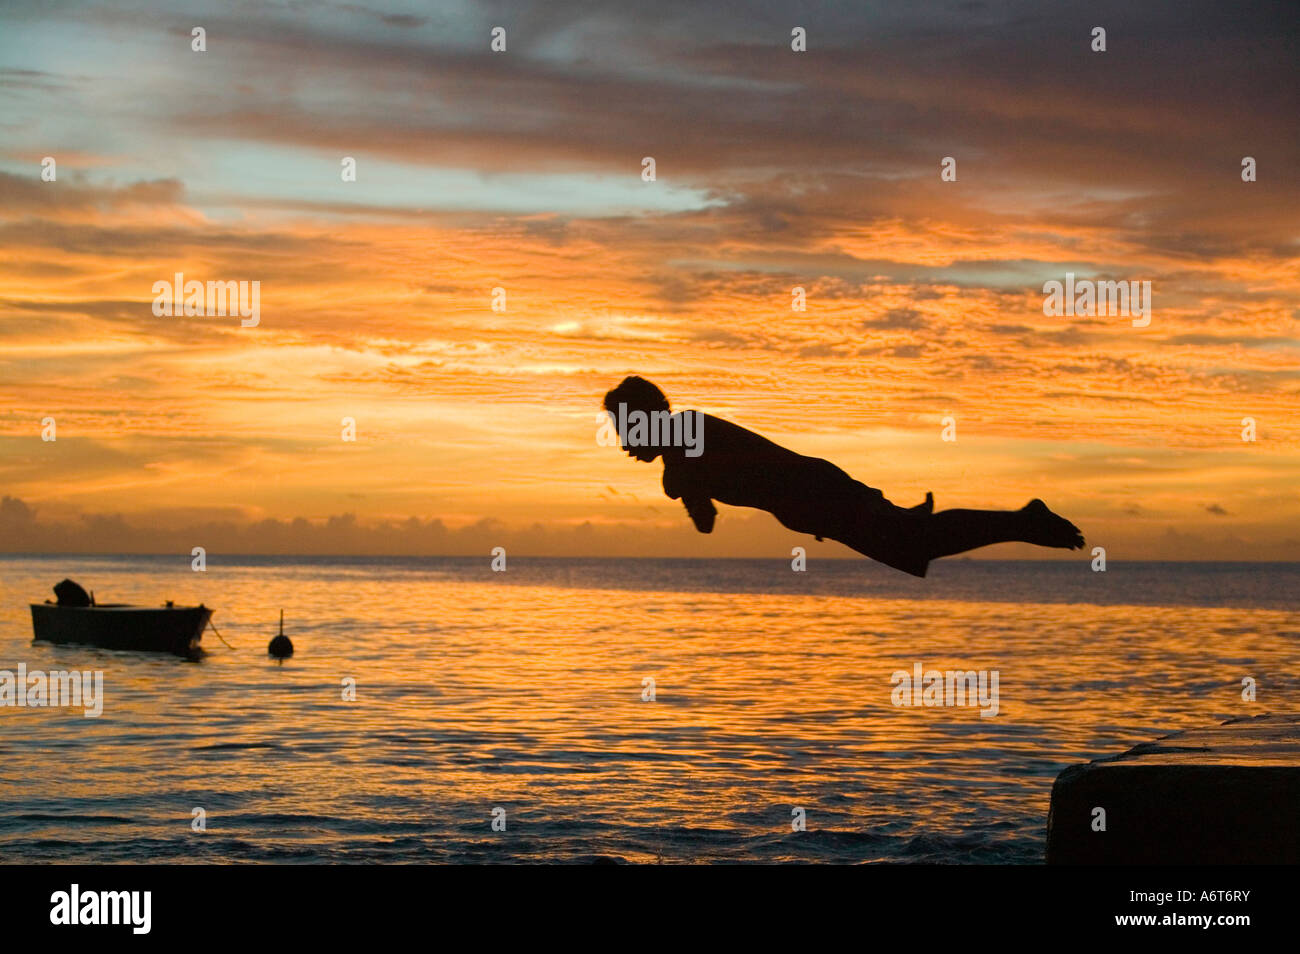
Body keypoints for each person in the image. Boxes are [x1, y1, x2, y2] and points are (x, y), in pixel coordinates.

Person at [603, 376, 1084, 578]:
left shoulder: (686, 439)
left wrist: (681, 486)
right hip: (822, 499)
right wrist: (679, 482)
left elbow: (705, 519)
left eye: (625, 429)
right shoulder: (684, 441)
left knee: (914, 544)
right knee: (914, 543)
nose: (624, 442)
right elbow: (706, 507)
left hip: (823, 496)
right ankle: (1022, 522)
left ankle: (1023, 521)